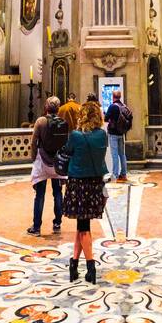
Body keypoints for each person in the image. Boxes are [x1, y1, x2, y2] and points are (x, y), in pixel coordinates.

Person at [61, 106, 109, 283]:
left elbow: (67, 151)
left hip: (78, 183)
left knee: (84, 228)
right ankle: (73, 264)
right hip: (95, 183)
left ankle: (91, 268)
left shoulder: (75, 135)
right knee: (82, 226)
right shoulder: (102, 135)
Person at [26, 97, 67, 236]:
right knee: (57, 193)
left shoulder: (40, 121)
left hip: (43, 161)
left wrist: (33, 158)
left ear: (46, 107)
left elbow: (34, 141)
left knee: (40, 195)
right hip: (57, 162)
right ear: (58, 107)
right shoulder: (63, 122)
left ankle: (36, 227)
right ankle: (57, 223)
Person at [105, 89, 130, 183]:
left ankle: (115, 175)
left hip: (113, 134)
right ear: (120, 96)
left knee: (114, 154)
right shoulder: (124, 106)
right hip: (121, 133)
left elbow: (106, 118)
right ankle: (123, 174)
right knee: (122, 154)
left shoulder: (112, 106)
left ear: (113, 97)